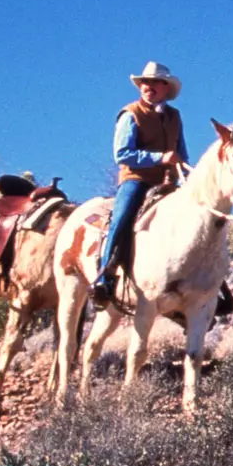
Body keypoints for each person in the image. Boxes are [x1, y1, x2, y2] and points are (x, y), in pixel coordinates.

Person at [91, 62, 188, 308]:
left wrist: (182, 169)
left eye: (155, 82)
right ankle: (106, 275)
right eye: (145, 82)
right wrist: (159, 158)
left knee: (198, 220)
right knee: (123, 218)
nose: (148, 87)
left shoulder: (175, 116)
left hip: (168, 182)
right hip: (137, 179)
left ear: (166, 87)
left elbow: (182, 153)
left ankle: (211, 284)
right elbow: (122, 153)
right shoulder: (131, 114)